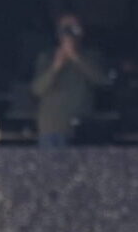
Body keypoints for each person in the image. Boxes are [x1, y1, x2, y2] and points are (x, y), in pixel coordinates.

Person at [31, 13, 107, 147]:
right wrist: (56, 66)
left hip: (80, 127)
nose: (69, 32)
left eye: (73, 27)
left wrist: (76, 57)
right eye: (65, 28)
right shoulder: (46, 57)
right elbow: (37, 89)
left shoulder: (92, 56)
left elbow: (101, 81)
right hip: (52, 127)